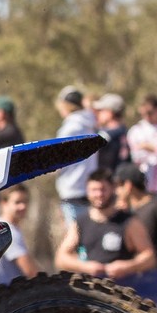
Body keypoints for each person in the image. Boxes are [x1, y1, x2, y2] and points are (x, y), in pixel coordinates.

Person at [54, 169, 156, 281]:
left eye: (103, 189)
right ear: (87, 191)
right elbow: (61, 258)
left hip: (123, 290)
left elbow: (149, 257)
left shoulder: (129, 222)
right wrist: (85, 266)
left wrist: (128, 266)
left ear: (113, 189)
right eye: (94, 190)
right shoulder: (80, 222)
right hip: (90, 290)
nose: (99, 194)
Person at [54, 87, 100, 225]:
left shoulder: (70, 128)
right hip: (89, 187)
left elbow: (57, 158)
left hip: (72, 188)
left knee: (75, 237)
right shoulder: (91, 124)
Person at [0, 185, 42, 285]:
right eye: (17, 202)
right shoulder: (7, 231)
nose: (23, 206)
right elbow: (31, 272)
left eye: (25, 201)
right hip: (9, 294)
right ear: (4, 203)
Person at [92, 93, 132, 174]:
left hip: (108, 181)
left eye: (101, 110)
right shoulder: (127, 132)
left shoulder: (105, 136)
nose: (97, 113)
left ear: (110, 113)